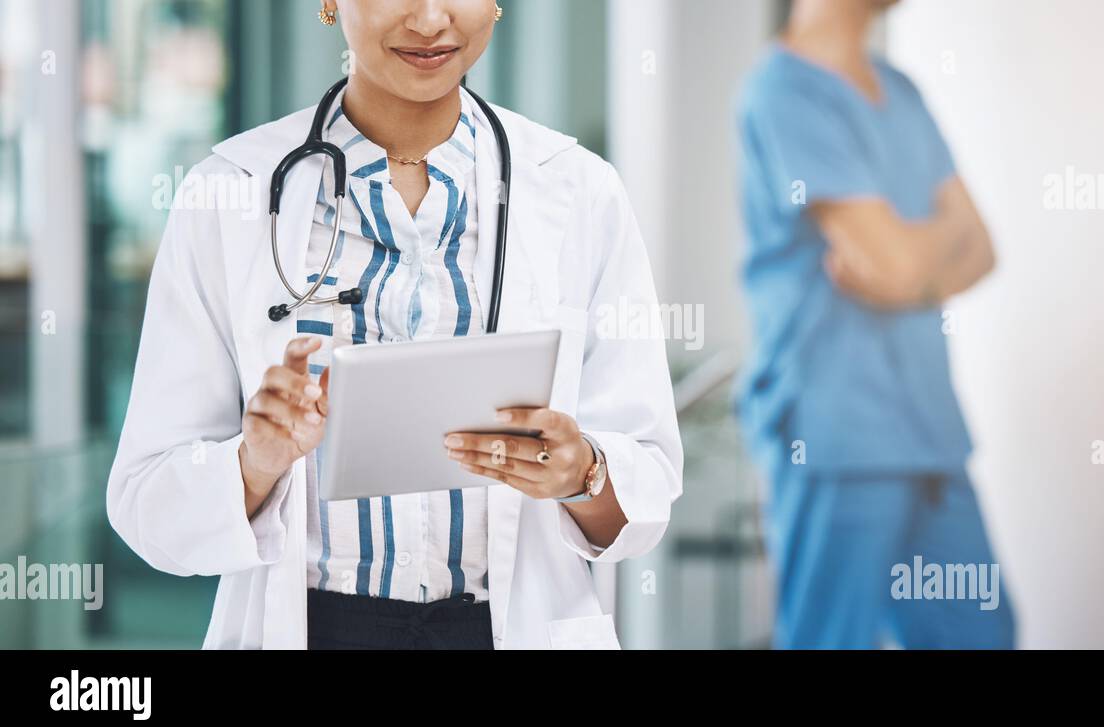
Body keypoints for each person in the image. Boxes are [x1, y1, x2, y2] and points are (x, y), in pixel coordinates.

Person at [106, 0, 682, 650]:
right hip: (313, 629)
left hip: (505, 629)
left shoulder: (581, 193)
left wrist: (582, 472)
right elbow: (145, 503)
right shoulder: (227, 195)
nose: (432, 20)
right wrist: (255, 462)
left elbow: (649, 481)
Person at [735, 0, 1012, 649]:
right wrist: (930, 252)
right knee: (831, 639)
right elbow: (906, 256)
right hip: (836, 434)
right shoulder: (784, 93)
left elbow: (983, 248)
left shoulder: (902, 89)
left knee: (981, 637)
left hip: (930, 431)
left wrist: (912, 270)